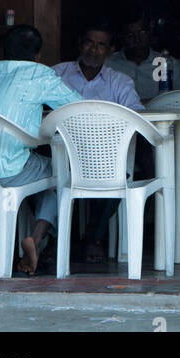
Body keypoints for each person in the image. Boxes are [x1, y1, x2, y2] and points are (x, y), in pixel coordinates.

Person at [0, 24, 82, 276]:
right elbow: (78, 108)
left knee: (9, 179)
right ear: (37, 56)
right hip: (9, 168)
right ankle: (35, 237)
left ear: (4, 51)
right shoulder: (40, 74)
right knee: (58, 171)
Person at [53, 22, 144, 262]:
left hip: (105, 157)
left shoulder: (120, 82)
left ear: (111, 50)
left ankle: (93, 238)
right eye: (89, 42)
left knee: (116, 178)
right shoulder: (56, 74)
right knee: (43, 180)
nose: (94, 50)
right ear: (80, 44)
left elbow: (136, 115)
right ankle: (56, 241)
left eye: (101, 45)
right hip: (62, 154)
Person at [106, 10, 180, 103]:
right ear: (122, 38)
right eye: (130, 35)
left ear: (150, 33)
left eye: (142, 33)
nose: (137, 40)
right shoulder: (109, 64)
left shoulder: (169, 64)